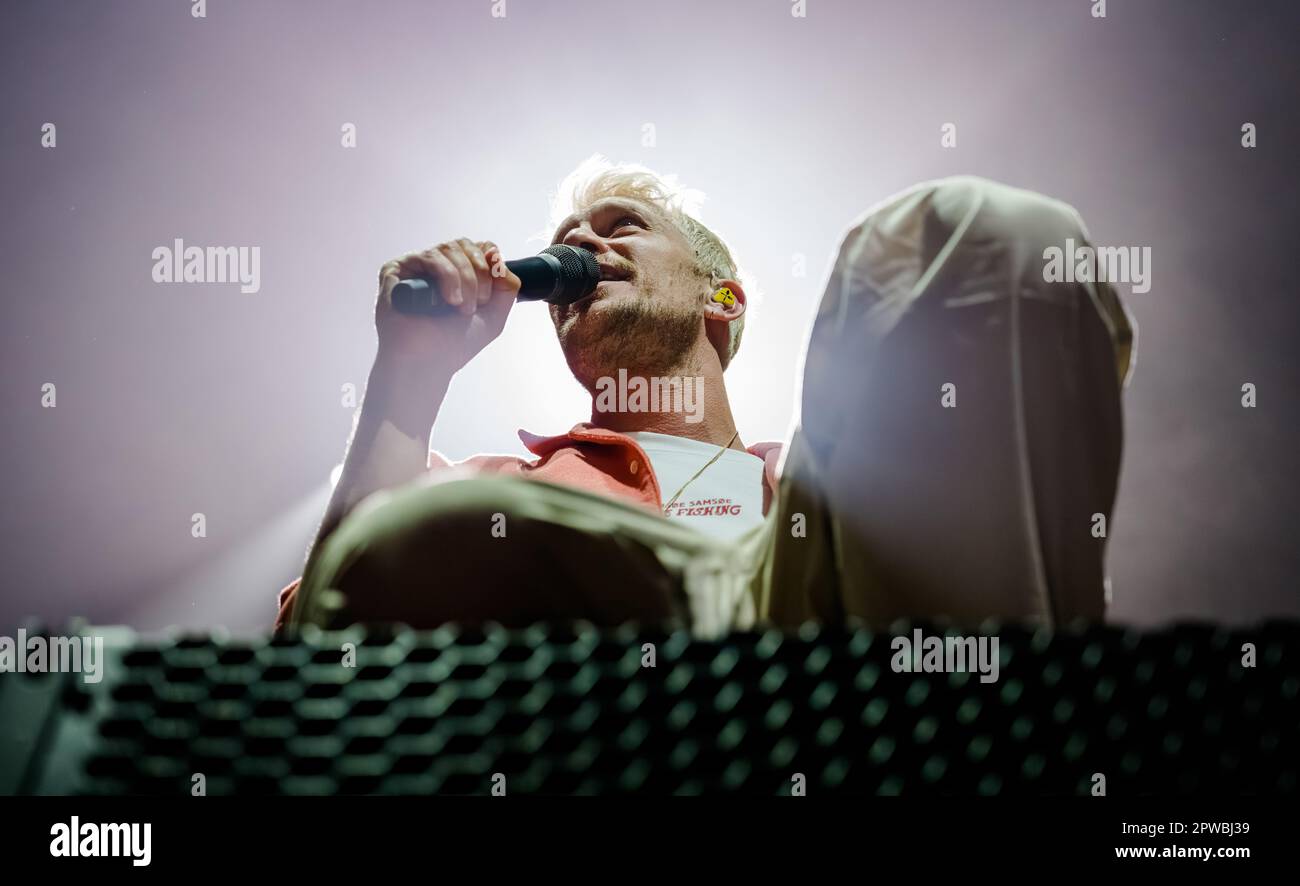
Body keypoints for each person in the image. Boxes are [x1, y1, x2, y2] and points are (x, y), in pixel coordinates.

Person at [275, 159, 1135, 636]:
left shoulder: (819, 481)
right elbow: (319, 637)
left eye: (621, 229)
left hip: (807, 607)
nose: (578, 245)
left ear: (724, 300)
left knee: (983, 227)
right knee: (416, 529)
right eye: (570, 240)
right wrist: (411, 373)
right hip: (620, 641)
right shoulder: (507, 488)